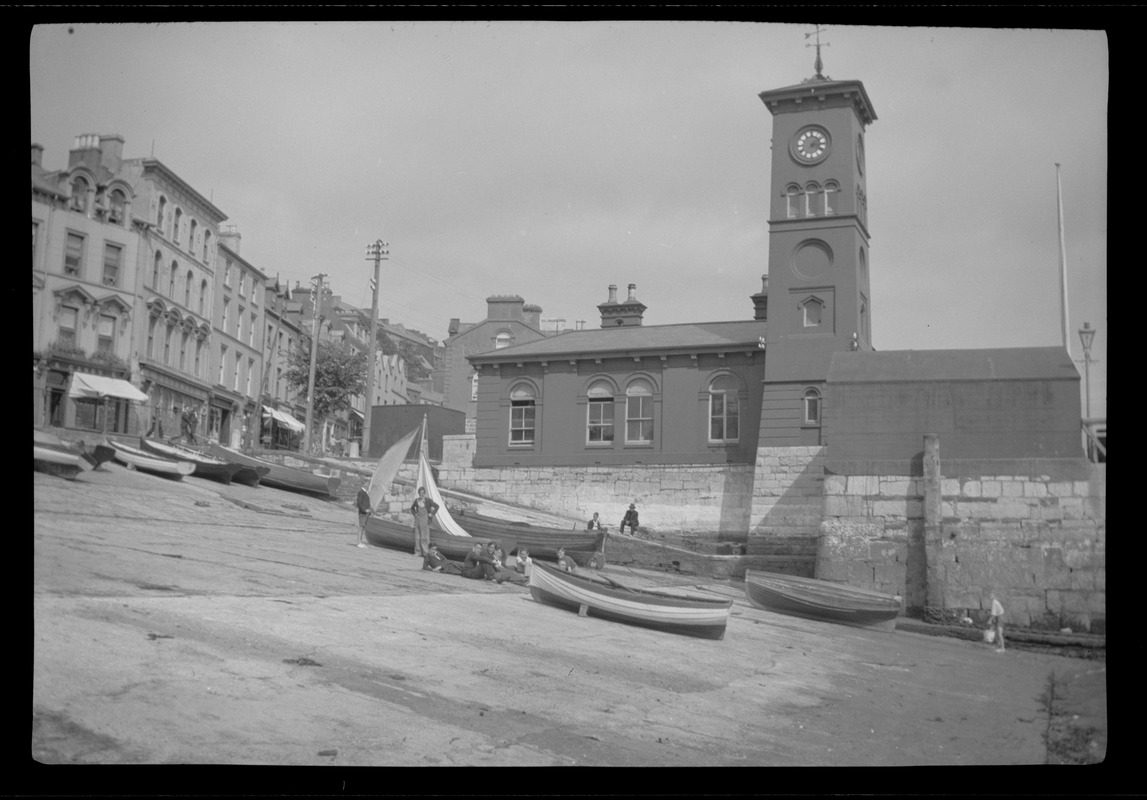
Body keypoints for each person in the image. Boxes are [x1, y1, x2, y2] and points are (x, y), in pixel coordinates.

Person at [409, 487, 439, 558]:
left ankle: (426, 553)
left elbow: (437, 506)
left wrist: (432, 513)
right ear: (418, 493)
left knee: (424, 537)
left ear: (424, 493)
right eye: (420, 493)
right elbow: (412, 508)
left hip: (425, 520)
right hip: (418, 520)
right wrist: (415, 514)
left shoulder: (428, 500)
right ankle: (417, 552)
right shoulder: (416, 501)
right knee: (417, 537)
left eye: (422, 493)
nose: (421, 494)